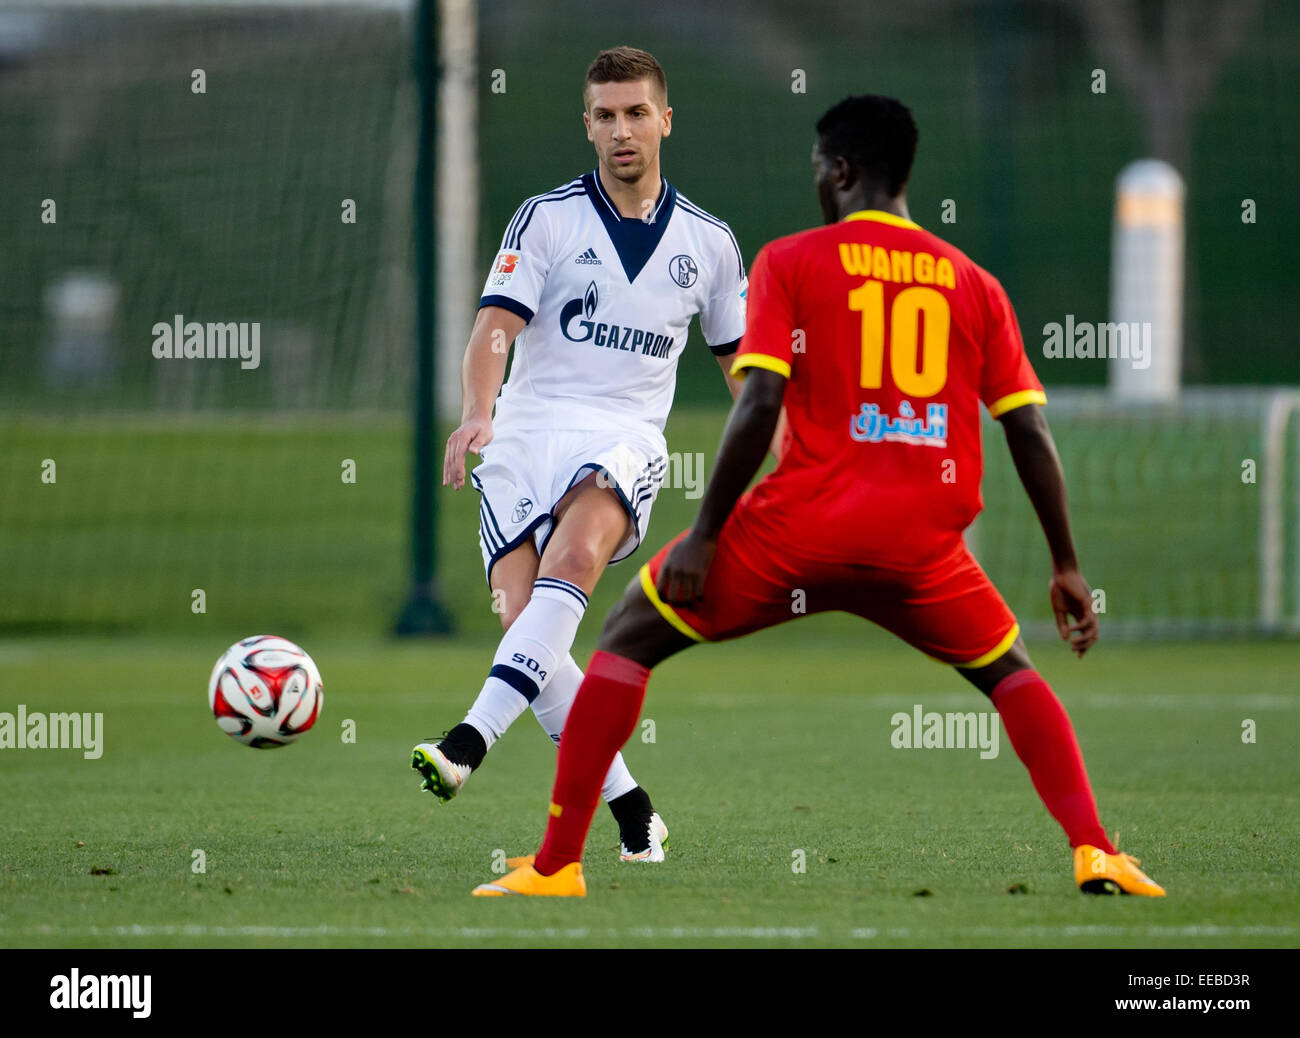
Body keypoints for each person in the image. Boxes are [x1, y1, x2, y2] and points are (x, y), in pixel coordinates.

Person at [472, 94, 1166, 898]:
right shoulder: (974, 284)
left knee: (627, 639)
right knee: (1011, 673)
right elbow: (1029, 433)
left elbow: (759, 403)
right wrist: (1067, 565)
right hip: (924, 548)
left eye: (815, 168)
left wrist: (704, 533)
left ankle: (558, 865)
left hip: (797, 532)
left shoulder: (793, 261)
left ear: (839, 171)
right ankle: (1095, 849)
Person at [412, 46, 750, 863]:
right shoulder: (546, 218)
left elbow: (745, 368)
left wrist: (790, 454)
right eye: (605, 115)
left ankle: (465, 744)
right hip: (526, 429)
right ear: (588, 126)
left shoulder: (709, 244)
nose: (621, 130)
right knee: (530, 630)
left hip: (623, 434)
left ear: (666, 120)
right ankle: (634, 810)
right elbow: (496, 328)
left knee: (577, 553)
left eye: (637, 112)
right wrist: (475, 415)